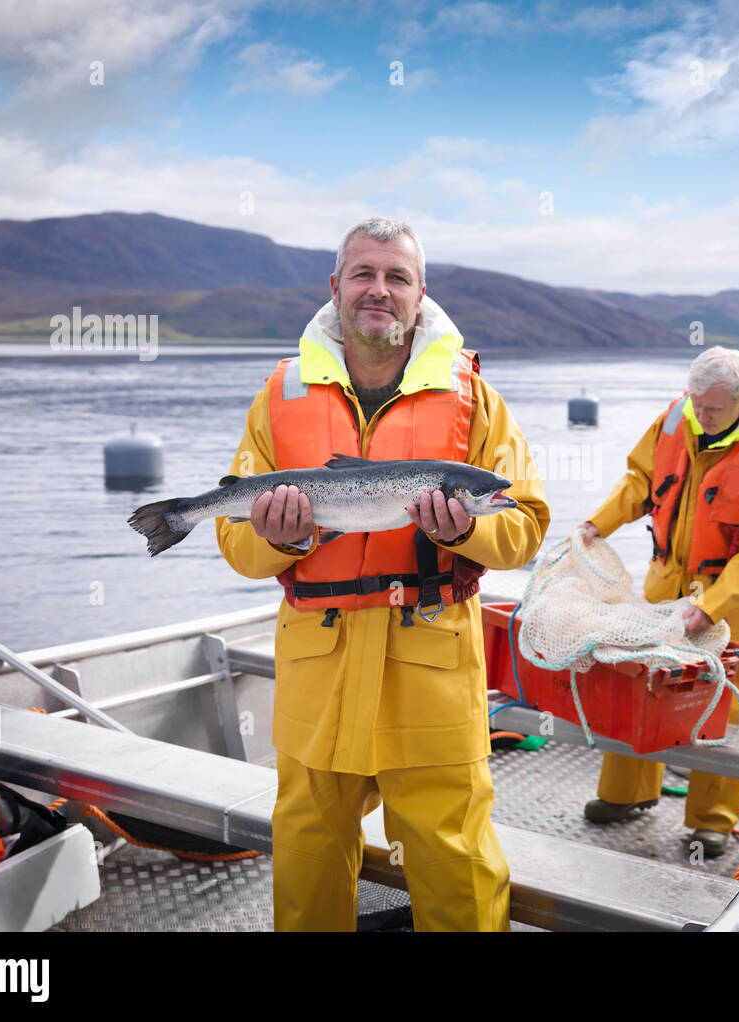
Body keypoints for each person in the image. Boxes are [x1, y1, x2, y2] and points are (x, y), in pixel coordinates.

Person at [215, 217, 550, 931]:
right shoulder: (278, 397)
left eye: (397, 277)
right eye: (364, 274)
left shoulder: (476, 400)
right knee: (306, 858)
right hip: (318, 674)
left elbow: (524, 528)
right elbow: (238, 547)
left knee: (454, 864)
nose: (380, 290)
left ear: (420, 295)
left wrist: (472, 530)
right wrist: (284, 539)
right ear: (335, 288)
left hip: (431, 670)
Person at [575, 346, 739, 858]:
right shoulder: (679, 416)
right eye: (697, 405)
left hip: (731, 594)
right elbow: (640, 480)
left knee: (722, 693)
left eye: (714, 410)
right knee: (638, 675)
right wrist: (597, 524)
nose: (701, 418)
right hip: (664, 578)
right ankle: (627, 793)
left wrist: (712, 605)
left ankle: (712, 820)